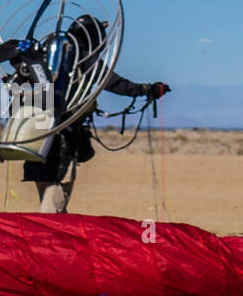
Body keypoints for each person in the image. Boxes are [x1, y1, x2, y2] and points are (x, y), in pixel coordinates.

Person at [22, 16, 169, 213]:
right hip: (63, 140)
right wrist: (147, 90)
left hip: (35, 138)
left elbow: (17, 85)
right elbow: (114, 83)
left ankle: (52, 238)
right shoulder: (80, 58)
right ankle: (47, 240)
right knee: (53, 205)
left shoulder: (44, 56)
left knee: (49, 198)